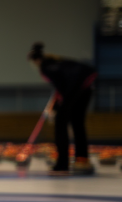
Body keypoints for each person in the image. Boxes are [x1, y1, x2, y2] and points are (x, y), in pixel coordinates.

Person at [28, 42, 96, 175]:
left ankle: (62, 164)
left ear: (35, 60)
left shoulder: (45, 67)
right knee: (77, 123)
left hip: (76, 87)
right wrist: (56, 105)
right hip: (86, 87)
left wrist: (56, 108)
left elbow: (62, 88)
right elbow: (62, 87)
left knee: (60, 123)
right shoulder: (57, 62)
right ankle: (82, 159)